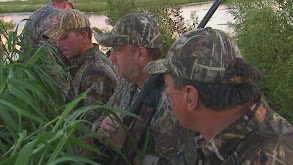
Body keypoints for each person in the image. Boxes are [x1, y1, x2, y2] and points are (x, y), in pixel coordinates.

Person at [144, 27, 293, 164]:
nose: (167, 92)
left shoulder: (267, 158)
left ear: (190, 97)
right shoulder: (235, 133)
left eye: (167, 85)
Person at [94, 13, 195, 165]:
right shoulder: (128, 84)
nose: (111, 58)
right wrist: (102, 130)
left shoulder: (172, 100)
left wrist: (125, 147)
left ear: (140, 54)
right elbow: (101, 119)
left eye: (118, 51)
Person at [43, 9, 119, 122]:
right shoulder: (79, 61)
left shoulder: (96, 72)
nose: (58, 44)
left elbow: (91, 129)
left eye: (64, 37)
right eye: (57, 39)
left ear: (83, 36)